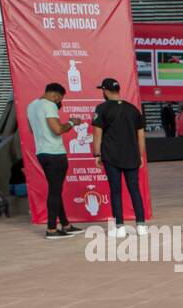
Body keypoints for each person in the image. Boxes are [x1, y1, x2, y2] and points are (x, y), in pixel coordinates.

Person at [91, 77, 148, 237]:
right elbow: (141, 135)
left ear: (105, 91)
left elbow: (97, 133)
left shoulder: (102, 108)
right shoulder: (133, 109)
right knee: (134, 190)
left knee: (116, 191)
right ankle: (141, 226)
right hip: (132, 156)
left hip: (111, 156)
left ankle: (120, 228)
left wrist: (97, 154)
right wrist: (141, 155)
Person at [26, 82, 81, 239]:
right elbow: (57, 129)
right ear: (56, 96)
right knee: (55, 192)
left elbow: (31, 130)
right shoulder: (49, 105)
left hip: (42, 152)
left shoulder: (31, 106)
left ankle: (65, 225)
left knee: (55, 190)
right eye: (60, 99)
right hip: (55, 153)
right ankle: (51, 229)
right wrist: (72, 122)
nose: (59, 102)